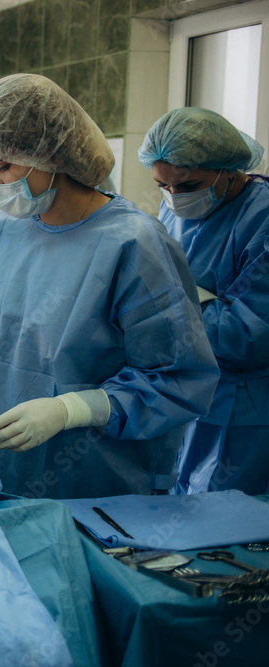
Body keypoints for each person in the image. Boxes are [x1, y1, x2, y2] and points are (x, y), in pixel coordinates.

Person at [0, 73, 220, 499]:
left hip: (96, 487)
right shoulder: (0, 234)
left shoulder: (134, 245)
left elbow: (179, 380)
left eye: (1, 165)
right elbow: (3, 344)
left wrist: (70, 410)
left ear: (51, 156)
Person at [138, 108, 269, 495]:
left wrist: (172, 293)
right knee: (181, 501)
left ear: (228, 170)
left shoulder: (260, 220)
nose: (176, 197)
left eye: (189, 184)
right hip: (186, 395)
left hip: (244, 406)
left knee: (228, 518)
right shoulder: (177, 203)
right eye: (164, 186)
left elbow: (246, 336)